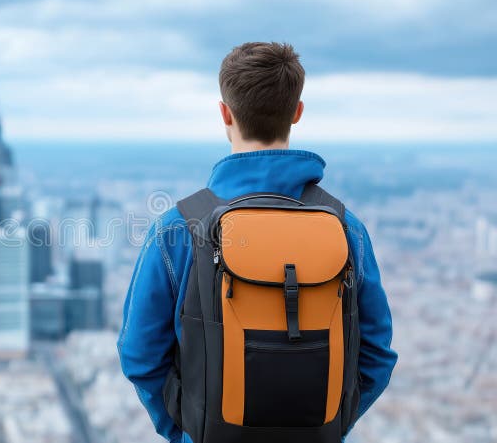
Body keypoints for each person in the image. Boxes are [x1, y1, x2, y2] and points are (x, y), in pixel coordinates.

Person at [117, 42, 398, 443]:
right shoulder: (345, 228)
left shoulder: (178, 228)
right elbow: (376, 356)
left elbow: (139, 354)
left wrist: (188, 432)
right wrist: (330, 428)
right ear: (297, 111)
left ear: (225, 114)